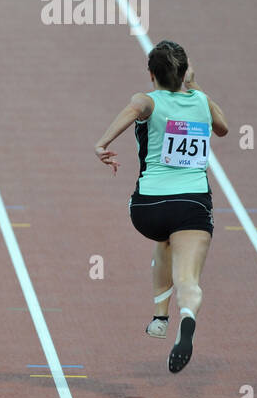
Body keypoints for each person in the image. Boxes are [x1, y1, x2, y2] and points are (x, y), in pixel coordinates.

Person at [94, 39, 227, 373]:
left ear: (151, 73)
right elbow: (223, 128)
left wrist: (102, 143)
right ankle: (186, 317)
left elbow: (131, 111)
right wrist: (194, 86)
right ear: (183, 73)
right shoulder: (203, 102)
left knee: (164, 238)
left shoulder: (146, 100)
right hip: (192, 203)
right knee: (189, 280)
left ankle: (159, 318)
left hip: (148, 208)